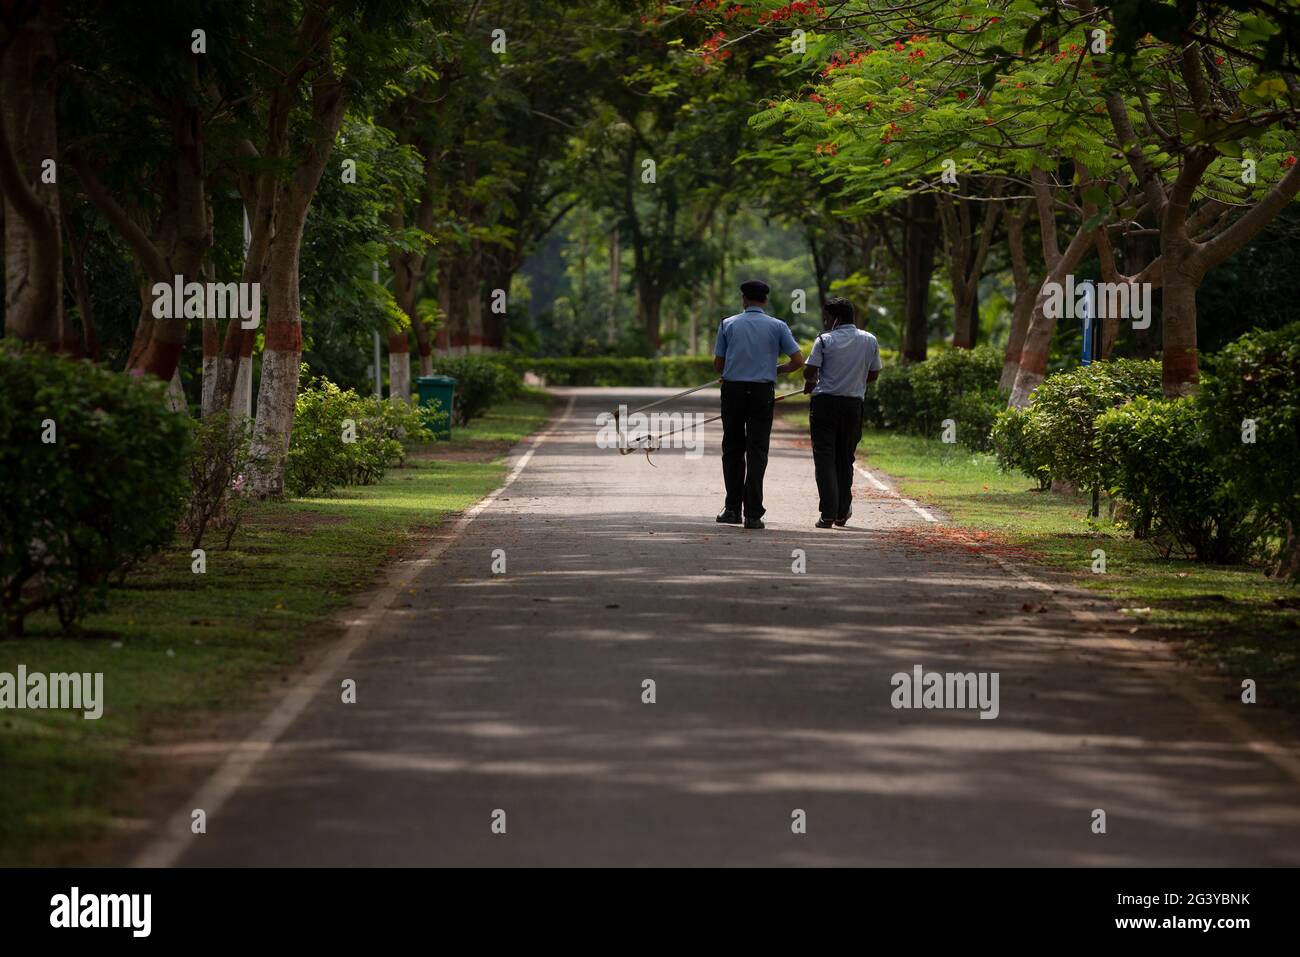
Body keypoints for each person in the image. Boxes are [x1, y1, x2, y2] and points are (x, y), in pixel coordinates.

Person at [712, 279, 804, 529]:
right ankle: (753, 513)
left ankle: (732, 509)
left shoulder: (727, 324)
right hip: (763, 392)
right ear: (765, 300)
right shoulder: (778, 326)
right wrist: (776, 370)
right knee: (757, 450)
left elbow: (718, 365)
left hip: (733, 391)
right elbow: (797, 361)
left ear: (744, 299)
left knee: (732, 449)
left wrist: (734, 367)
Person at [802, 296, 882, 528]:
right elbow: (874, 373)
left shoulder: (825, 340)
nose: (825, 322)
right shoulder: (870, 340)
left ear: (835, 318)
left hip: (825, 404)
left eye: (827, 318)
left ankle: (827, 513)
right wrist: (854, 381)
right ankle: (841, 511)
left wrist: (812, 381)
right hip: (853, 406)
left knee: (825, 457)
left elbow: (810, 371)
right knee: (845, 458)